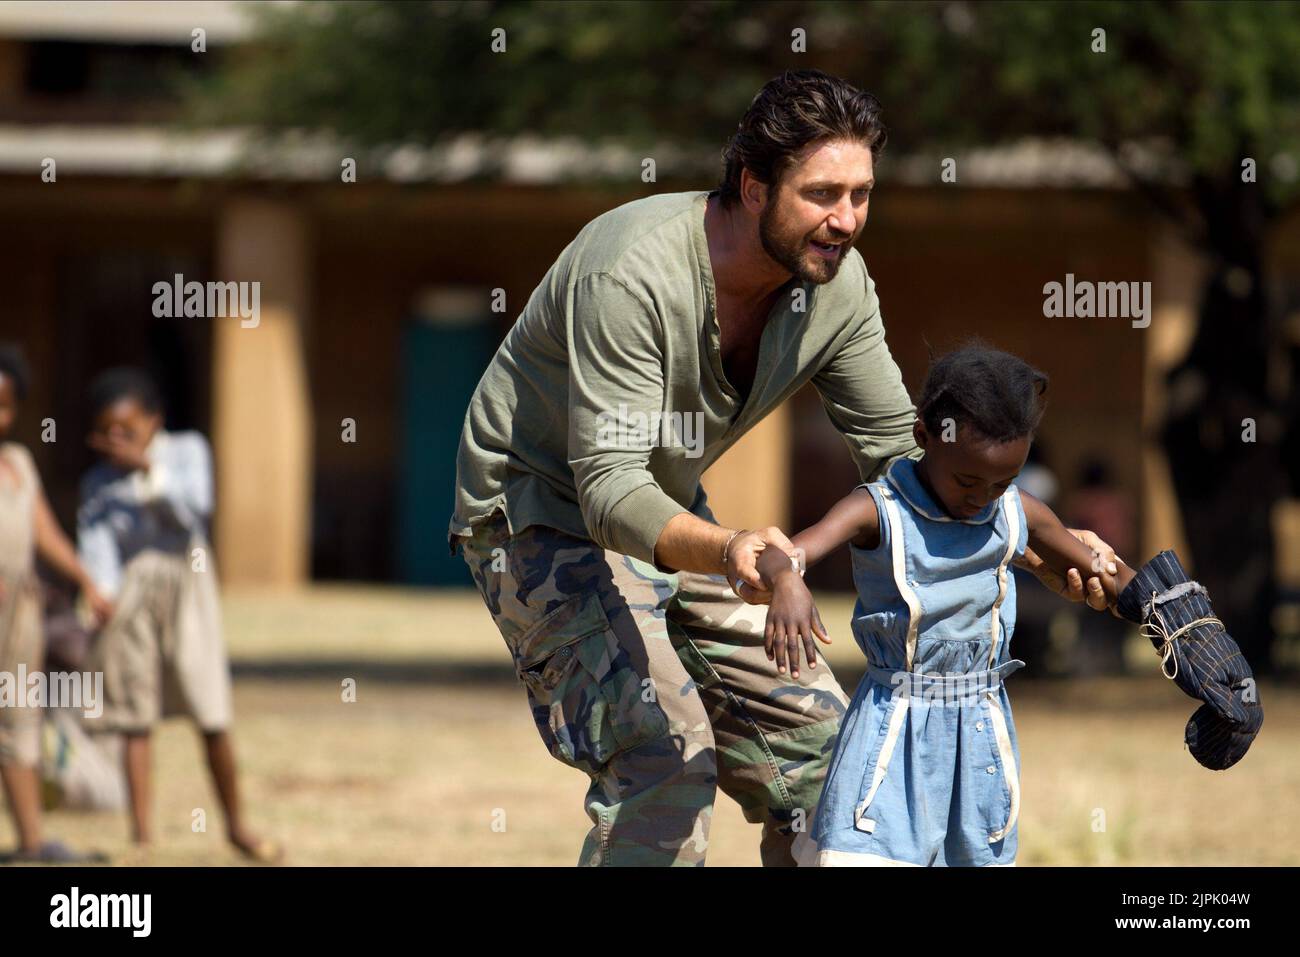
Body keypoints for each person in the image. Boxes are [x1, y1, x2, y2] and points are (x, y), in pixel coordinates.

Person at [449, 70, 1117, 866]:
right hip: (536, 515)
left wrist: (1038, 546)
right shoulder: (629, 274)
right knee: (663, 758)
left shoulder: (835, 289)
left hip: (668, 511)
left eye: (862, 195)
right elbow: (608, 488)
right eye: (823, 194)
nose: (846, 221)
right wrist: (731, 546)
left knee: (829, 755)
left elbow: (904, 459)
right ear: (754, 187)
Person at [755, 343, 1138, 866]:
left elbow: (1109, 575)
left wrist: (1180, 621)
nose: (983, 497)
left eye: (1003, 482)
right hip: (892, 731)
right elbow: (781, 553)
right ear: (924, 437)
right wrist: (787, 582)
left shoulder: (1015, 509)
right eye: (967, 480)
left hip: (979, 734)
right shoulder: (877, 510)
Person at [77, 367, 281, 862]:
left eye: (128, 429)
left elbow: (195, 510)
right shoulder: (98, 482)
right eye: (107, 432)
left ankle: (237, 826)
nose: (117, 440)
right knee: (135, 713)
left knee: (209, 705)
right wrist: (99, 592)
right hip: (132, 588)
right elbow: (97, 544)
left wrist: (149, 471)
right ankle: (143, 837)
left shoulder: (187, 451)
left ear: (154, 421)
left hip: (188, 578)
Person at [0, 343, 110, 863]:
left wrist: (88, 581)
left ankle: (30, 843)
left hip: (19, 616)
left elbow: (45, 534)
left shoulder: (19, 463)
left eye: (3, 404)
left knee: (19, 720)